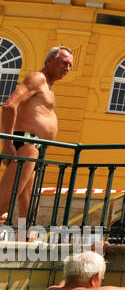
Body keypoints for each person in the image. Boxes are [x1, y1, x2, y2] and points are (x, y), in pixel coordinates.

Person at [1, 46, 74, 228]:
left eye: (70, 65)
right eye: (64, 63)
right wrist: (7, 142)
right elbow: (9, 106)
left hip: (35, 147)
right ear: (49, 61)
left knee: (30, 207)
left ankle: (26, 241)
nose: (67, 68)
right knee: (4, 202)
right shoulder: (37, 78)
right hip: (26, 144)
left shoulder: (48, 86)